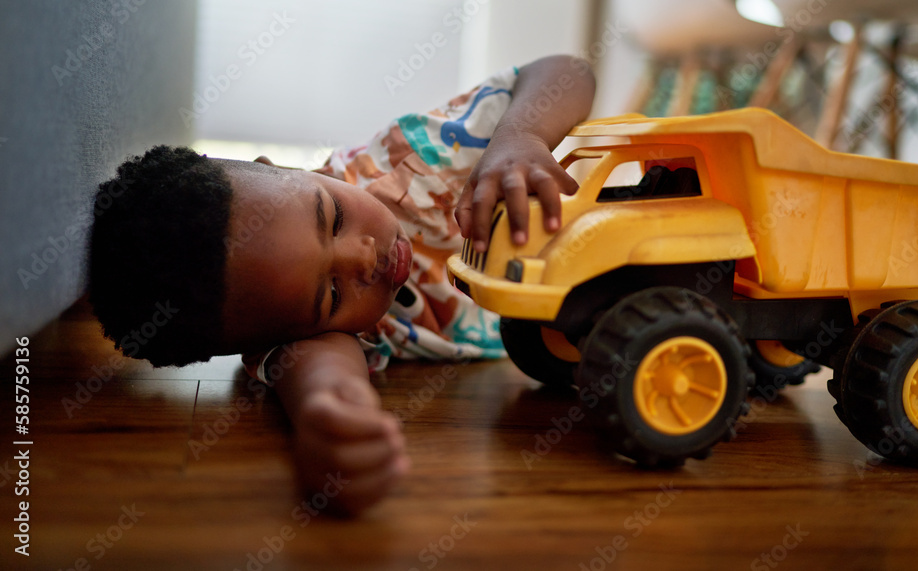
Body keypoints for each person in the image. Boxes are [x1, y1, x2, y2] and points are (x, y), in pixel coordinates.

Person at [87, 55, 597, 514]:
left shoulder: (420, 158)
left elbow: (566, 72)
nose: (364, 256)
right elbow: (318, 368)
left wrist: (519, 138)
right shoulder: (296, 329)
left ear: (285, 167)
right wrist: (325, 411)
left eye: (330, 218)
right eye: (330, 296)